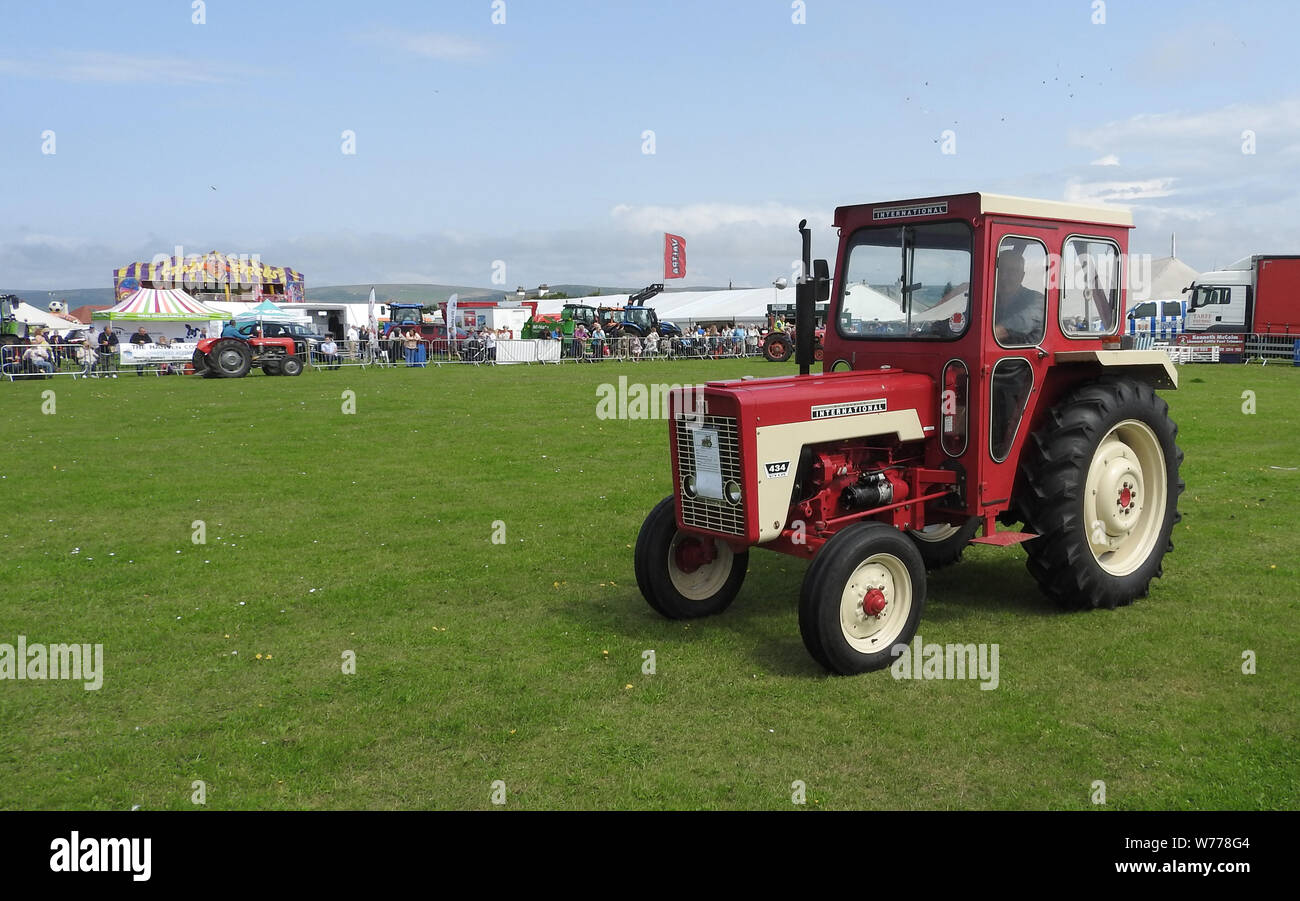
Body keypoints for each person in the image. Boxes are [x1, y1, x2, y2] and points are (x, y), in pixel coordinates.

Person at [993, 248, 1045, 345]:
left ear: (1022, 276)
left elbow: (1021, 321)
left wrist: (991, 333)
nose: (1003, 276)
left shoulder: (1037, 300)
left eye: (1011, 271)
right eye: (1000, 270)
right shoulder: (988, 299)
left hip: (1023, 357)